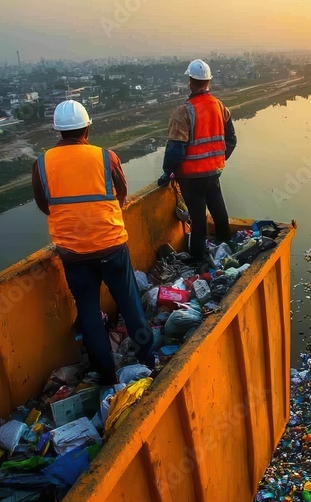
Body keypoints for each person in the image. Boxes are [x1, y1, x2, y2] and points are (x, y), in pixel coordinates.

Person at [32, 100, 153, 387]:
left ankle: (107, 375)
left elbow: (44, 204)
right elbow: (121, 193)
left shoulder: (42, 164)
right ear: (87, 127)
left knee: (87, 310)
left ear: (58, 132)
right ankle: (148, 360)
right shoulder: (105, 157)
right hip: (111, 245)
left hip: (73, 252)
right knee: (129, 302)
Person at [158, 58, 238, 264]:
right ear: (208, 81)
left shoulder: (184, 112)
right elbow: (231, 139)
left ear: (190, 82)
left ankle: (197, 256)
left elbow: (175, 150)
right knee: (218, 207)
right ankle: (225, 241)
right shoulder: (219, 106)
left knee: (197, 215)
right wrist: (219, 159)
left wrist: (168, 172)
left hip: (191, 175)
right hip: (214, 170)